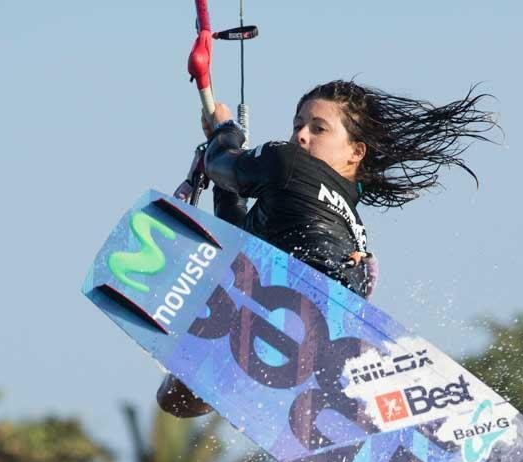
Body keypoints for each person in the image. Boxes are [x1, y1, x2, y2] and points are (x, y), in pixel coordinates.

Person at [157, 79, 497, 418]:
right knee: (176, 395)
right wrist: (223, 171)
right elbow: (239, 242)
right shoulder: (352, 224)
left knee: (177, 395)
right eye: (298, 126)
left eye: (318, 128)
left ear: (356, 151)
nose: (301, 135)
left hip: (299, 299)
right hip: (316, 308)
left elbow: (222, 164)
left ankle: (315, 342)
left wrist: (225, 131)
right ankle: (343, 359)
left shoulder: (286, 162)